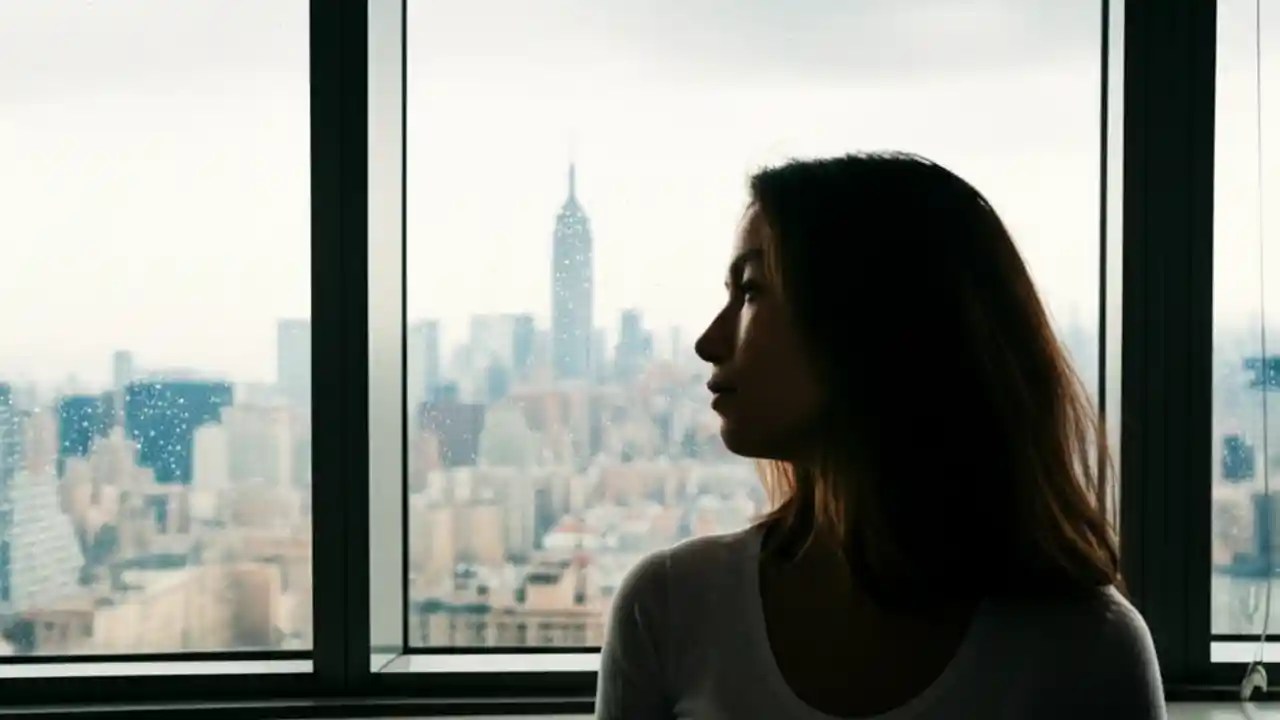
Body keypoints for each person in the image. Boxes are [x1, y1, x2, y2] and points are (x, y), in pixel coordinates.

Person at [595, 152, 1165, 719]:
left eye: (751, 292)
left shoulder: (1087, 649)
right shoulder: (669, 608)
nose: (709, 341)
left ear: (869, 321)